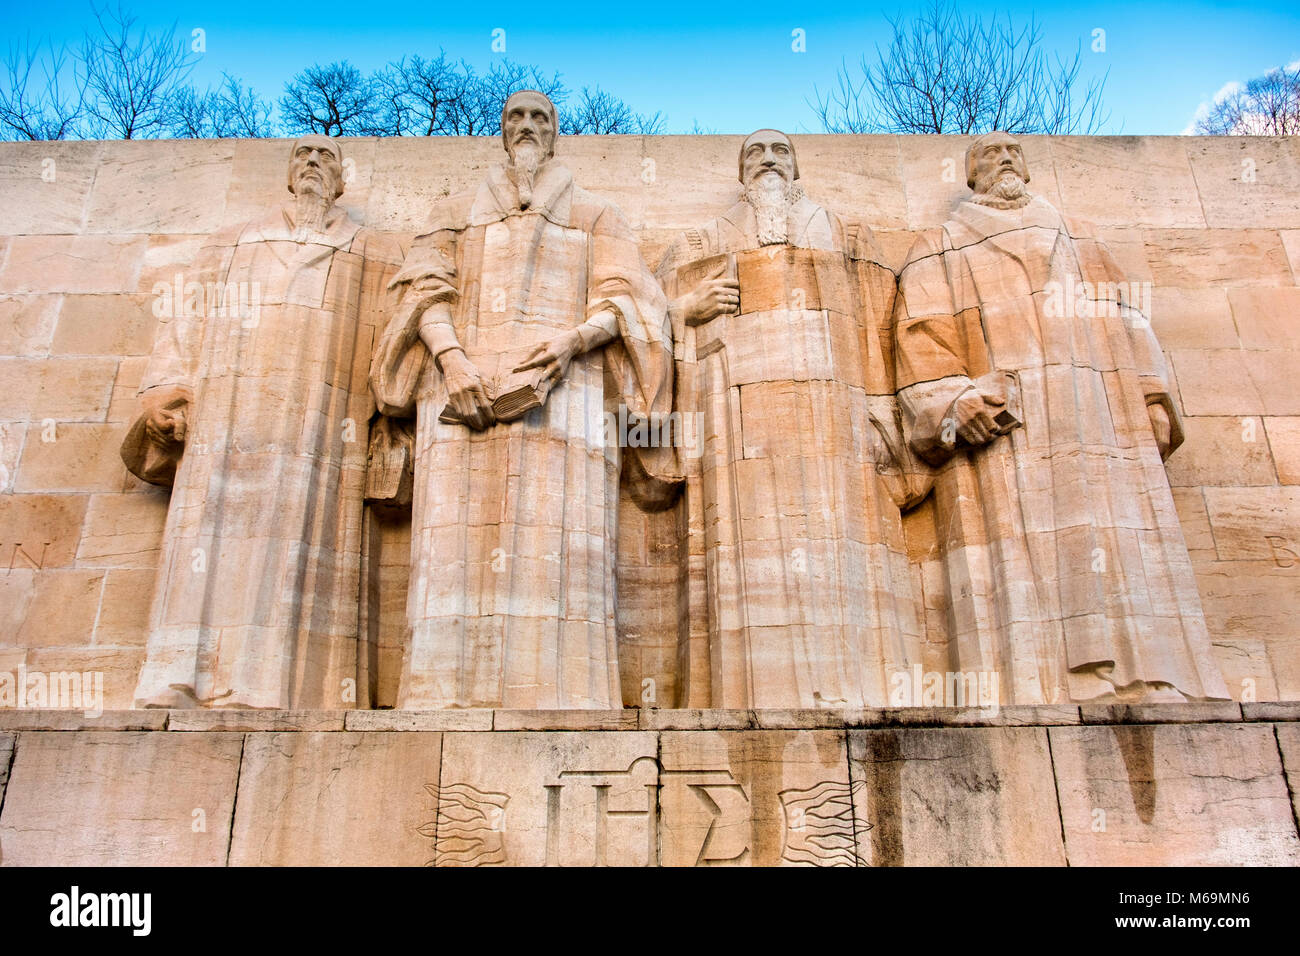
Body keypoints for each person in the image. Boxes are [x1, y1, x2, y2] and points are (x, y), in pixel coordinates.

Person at [893, 130, 1229, 703]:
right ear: (970, 174)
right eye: (989, 154)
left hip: (1102, 417)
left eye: (1012, 152)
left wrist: (1151, 397)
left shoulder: (1084, 244)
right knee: (1026, 552)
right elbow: (921, 339)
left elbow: (1130, 323)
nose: (1003, 159)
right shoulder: (942, 244)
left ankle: (1150, 673)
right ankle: (1045, 683)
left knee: (1121, 534)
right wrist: (954, 403)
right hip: (1011, 429)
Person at [371, 90, 679, 709]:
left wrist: (572, 342)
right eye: (516, 116)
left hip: (569, 394)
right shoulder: (455, 208)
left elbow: (631, 299)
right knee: (450, 558)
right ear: (501, 131)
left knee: (561, 558)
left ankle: (569, 700)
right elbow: (419, 291)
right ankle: (435, 701)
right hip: (455, 388)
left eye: (541, 117)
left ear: (557, 134)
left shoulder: (596, 213)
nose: (528, 126)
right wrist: (452, 360)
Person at [127, 135, 402, 708]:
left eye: (325, 158)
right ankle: (181, 675)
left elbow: (395, 339)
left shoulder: (371, 251)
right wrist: (166, 390)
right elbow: (186, 320)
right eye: (302, 155)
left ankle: (288, 688)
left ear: (343, 180)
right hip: (226, 417)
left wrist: (391, 417)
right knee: (209, 535)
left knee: (304, 543)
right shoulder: (232, 242)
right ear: (286, 172)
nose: (312, 165)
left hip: (323, 424)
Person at [655, 129, 923, 708]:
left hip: (836, 418)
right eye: (755, 153)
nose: (769, 161)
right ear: (741, 172)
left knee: (845, 549)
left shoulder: (846, 233)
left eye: (781, 152)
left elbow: (879, 326)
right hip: (732, 428)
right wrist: (682, 312)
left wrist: (881, 407)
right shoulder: (699, 241)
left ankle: (864, 694)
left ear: (796, 168)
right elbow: (648, 316)